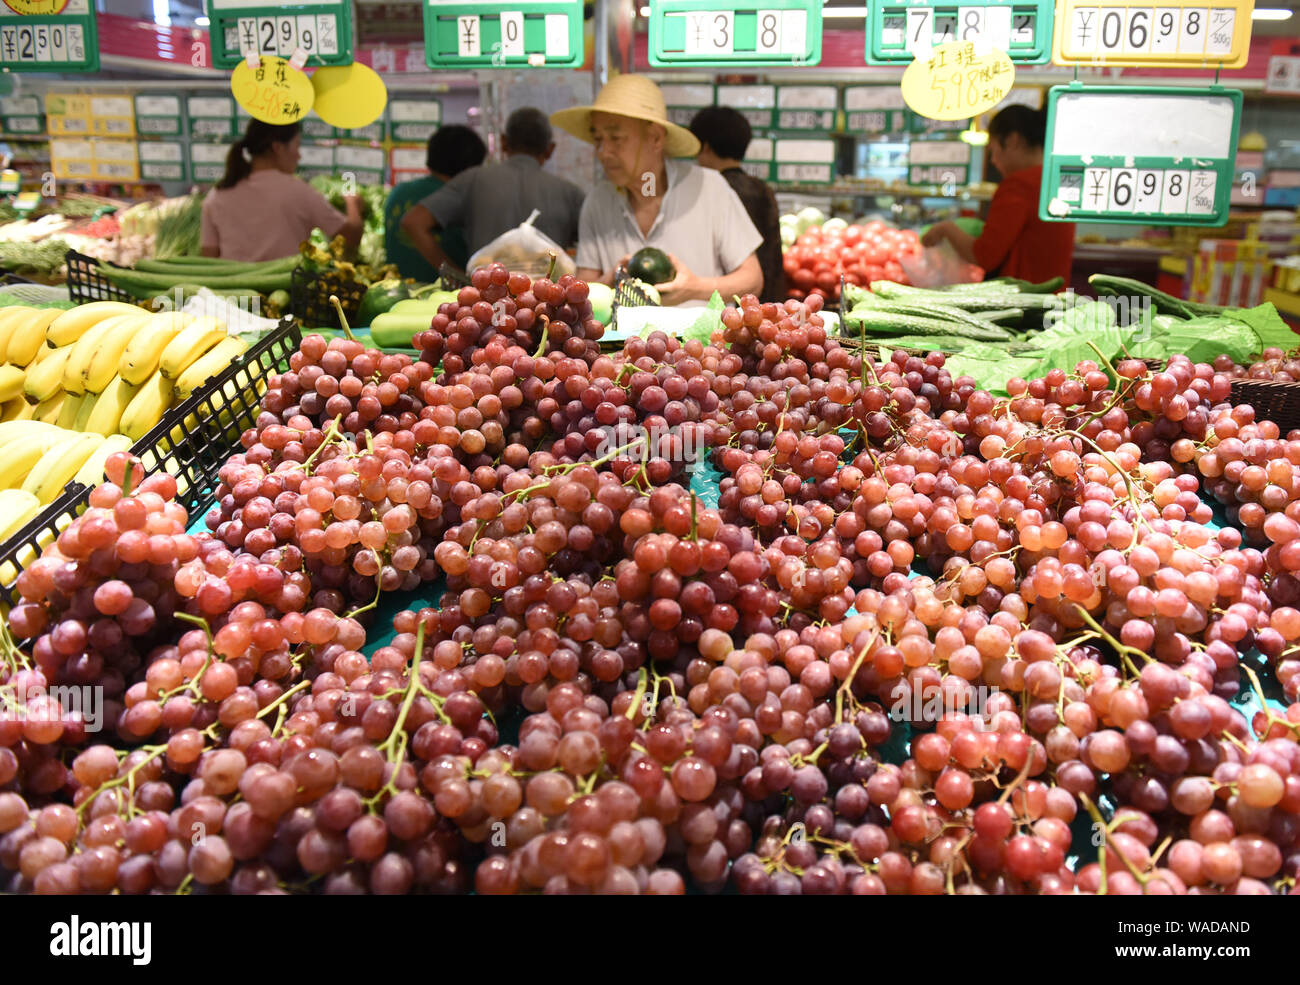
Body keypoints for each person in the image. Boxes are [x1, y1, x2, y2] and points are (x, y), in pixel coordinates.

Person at [550, 74, 762, 306]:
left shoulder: (709, 188)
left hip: (701, 342)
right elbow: (584, 288)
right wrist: (609, 282)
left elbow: (752, 279)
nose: (603, 151)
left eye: (616, 138)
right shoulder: (598, 201)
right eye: (598, 138)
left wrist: (694, 289)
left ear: (655, 137)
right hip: (623, 343)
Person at [401, 108, 585, 272]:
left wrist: (454, 274)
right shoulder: (571, 194)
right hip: (545, 303)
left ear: (503, 142)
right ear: (550, 149)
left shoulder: (472, 180)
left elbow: (414, 222)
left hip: (485, 302)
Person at [921, 105, 1074, 284]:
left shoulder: (1019, 184)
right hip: (1052, 295)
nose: (993, 160)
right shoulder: (1055, 180)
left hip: (1024, 301)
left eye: (992, 150)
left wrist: (946, 228)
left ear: (1012, 140)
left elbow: (984, 255)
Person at [200, 120, 362, 262]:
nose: (299, 156)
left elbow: (209, 258)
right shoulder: (298, 191)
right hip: (285, 293)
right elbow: (351, 237)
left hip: (235, 294)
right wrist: (352, 203)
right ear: (277, 148)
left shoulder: (217, 195)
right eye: (297, 146)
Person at [689, 106, 785, 303]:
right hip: (768, 304)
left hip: (730, 307)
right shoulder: (761, 188)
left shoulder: (711, 191)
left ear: (704, 146)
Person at [384, 124, 487, 280]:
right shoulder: (458, 196)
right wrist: (457, 278)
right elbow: (413, 222)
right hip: (438, 295)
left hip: (394, 289)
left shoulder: (398, 191)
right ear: (471, 167)